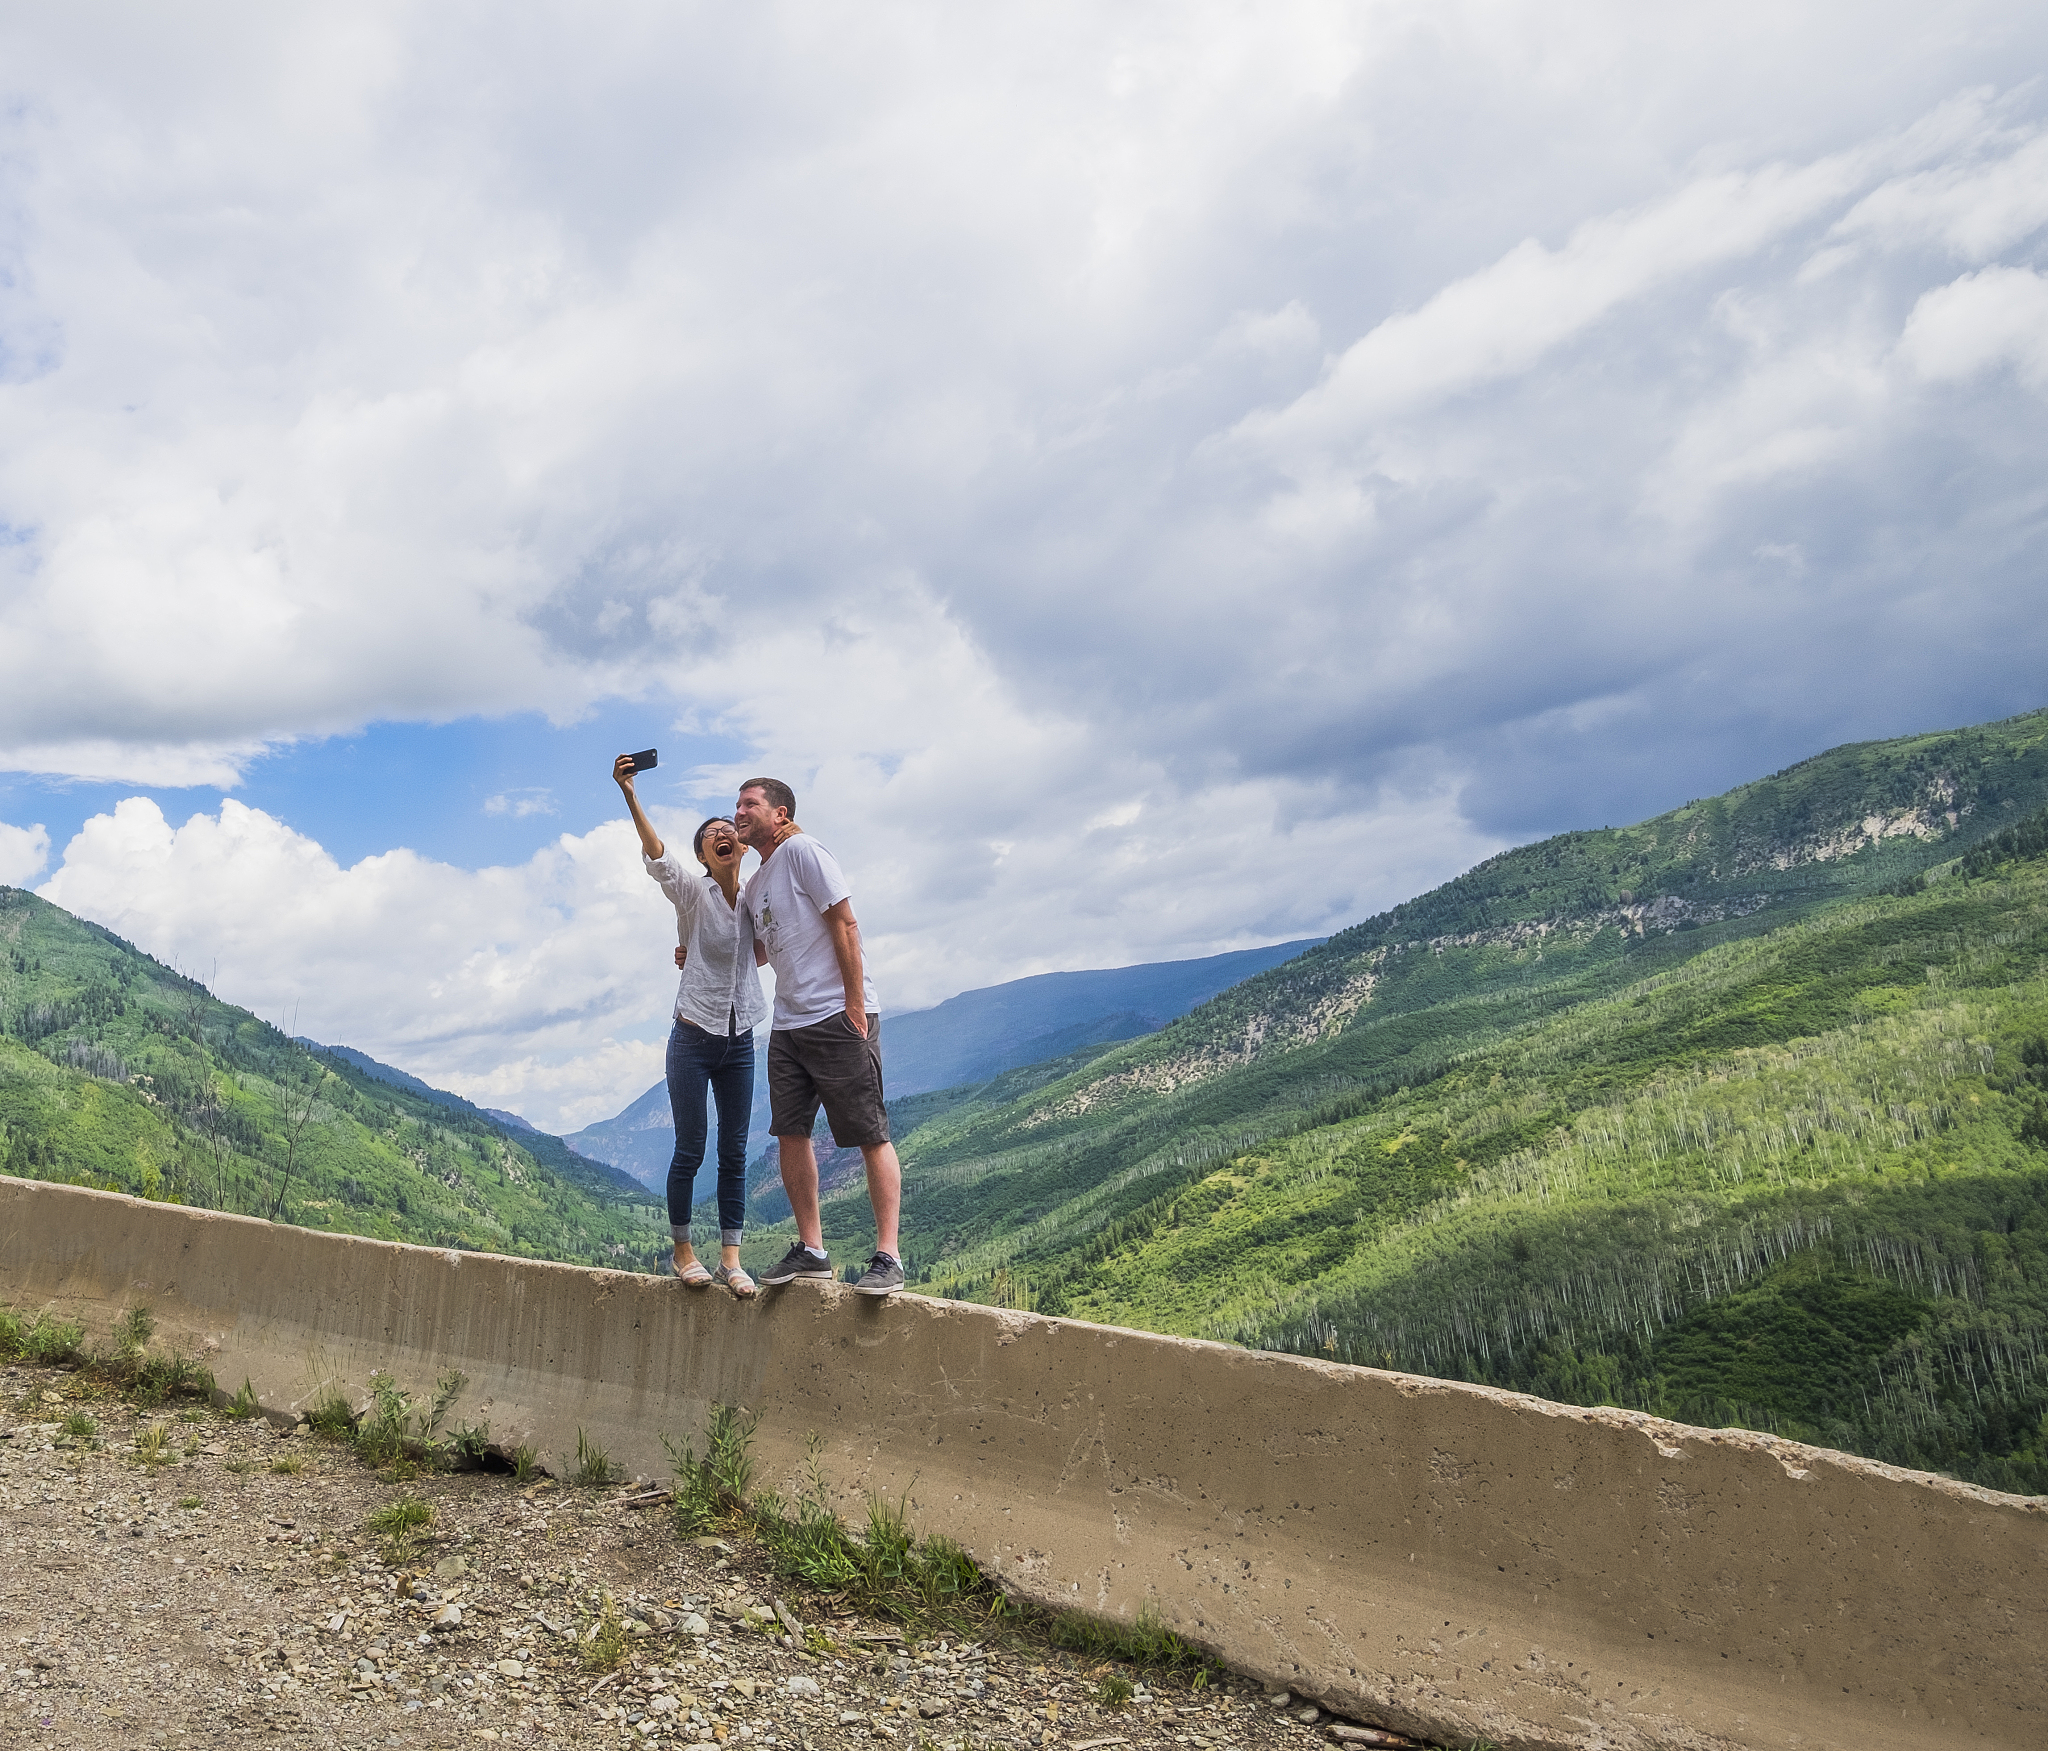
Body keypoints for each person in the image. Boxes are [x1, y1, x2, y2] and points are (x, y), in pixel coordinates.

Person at [732, 777, 904, 1296]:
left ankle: (889, 1256)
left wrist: (855, 1004)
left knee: (869, 1132)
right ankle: (812, 1250)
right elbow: (761, 953)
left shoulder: (804, 851)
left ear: (780, 814)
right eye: (736, 804)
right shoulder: (756, 884)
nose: (738, 811)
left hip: (836, 1013)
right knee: (790, 1132)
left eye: (749, 804)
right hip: (787, 1023)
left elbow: (845, 923)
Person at [613, 753, 765, 1298]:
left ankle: (731, 1259)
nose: (723, 834)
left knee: (734, 1151)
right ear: (704, 855)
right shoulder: (694, 892)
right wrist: (631, 795)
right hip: (693, 1037)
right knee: (691, 1148)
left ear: (742, 848)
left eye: (730, 830)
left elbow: (765, 949)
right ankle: (683, 1252)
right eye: (711, 835)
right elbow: (657, 857)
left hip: (741, 1038)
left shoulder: (755, 897)